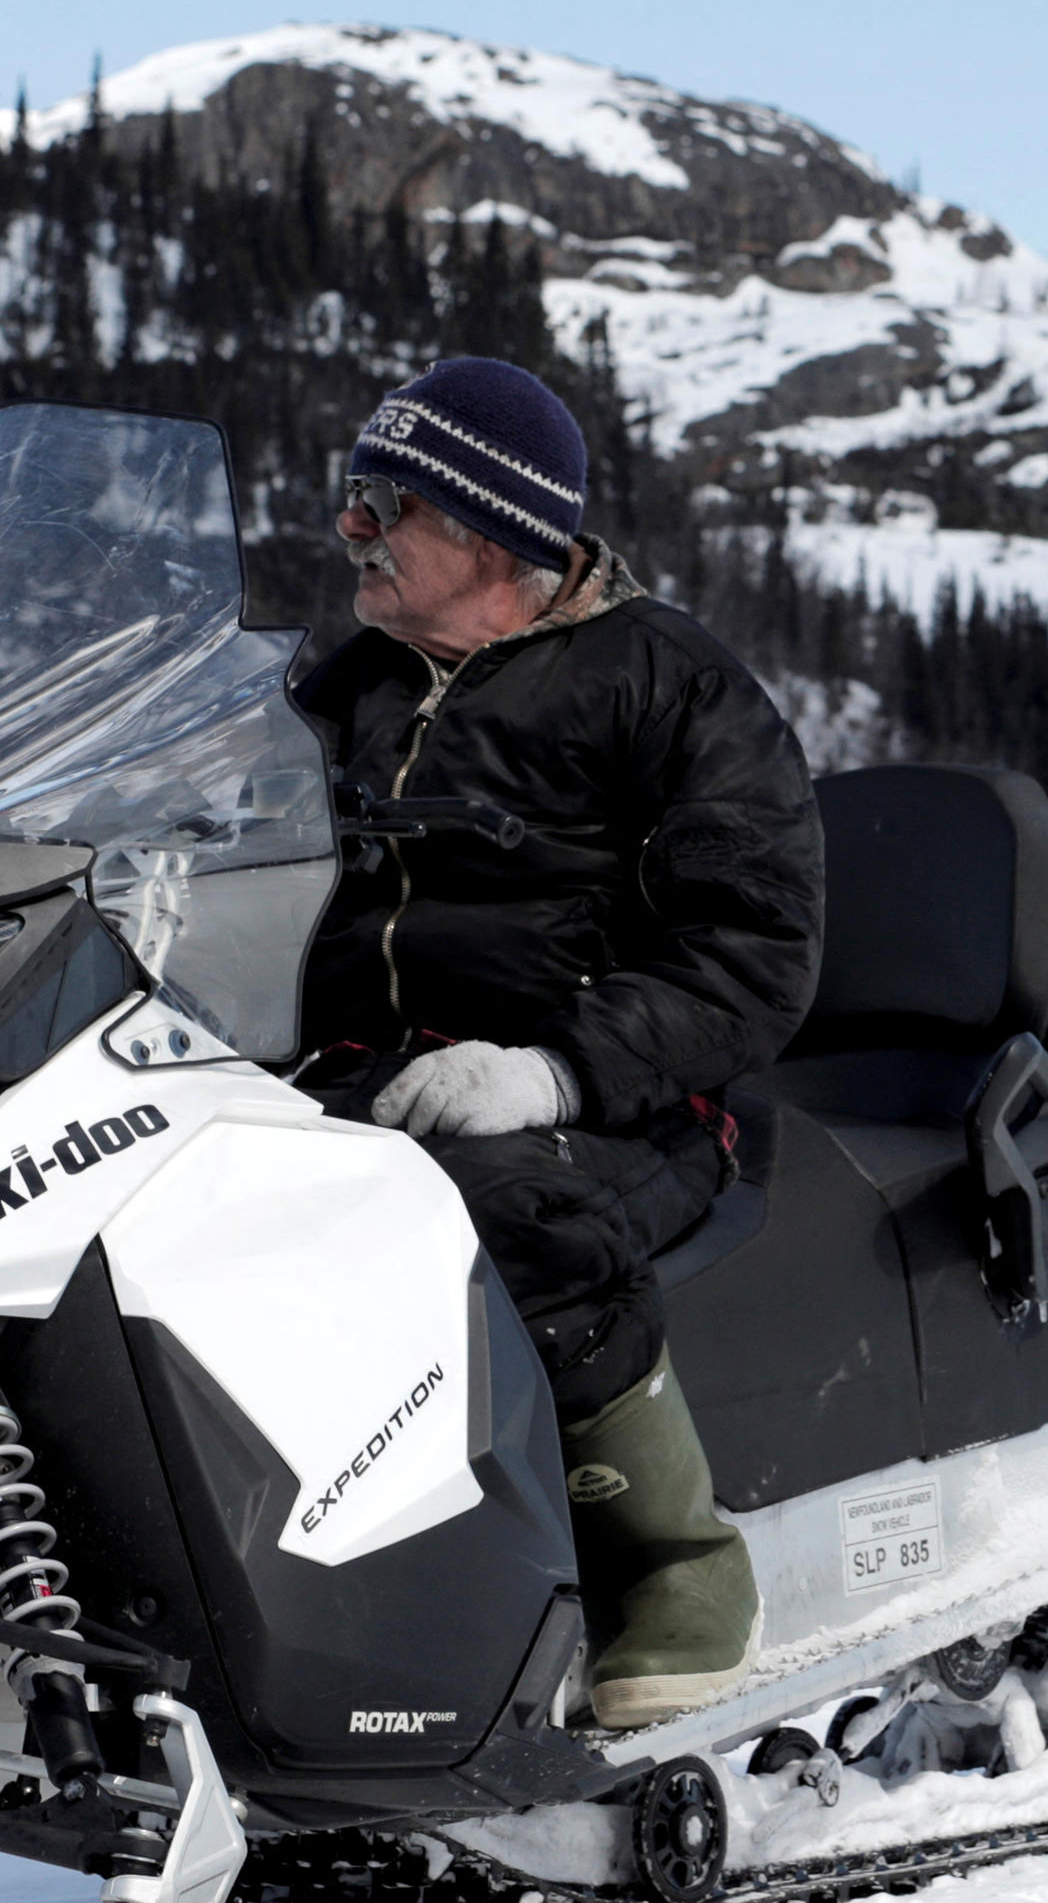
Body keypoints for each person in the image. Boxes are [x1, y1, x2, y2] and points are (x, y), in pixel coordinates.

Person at [289, 355, 827, 1729]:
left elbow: (754, 952)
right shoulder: (339, 686)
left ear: (485, 533)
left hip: (619, 1103)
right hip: (364, 1071)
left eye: (378, 505)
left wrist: (550, 1072)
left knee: (489, 1206)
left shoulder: (669, 686)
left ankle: (673, 1566)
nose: (349, 530)